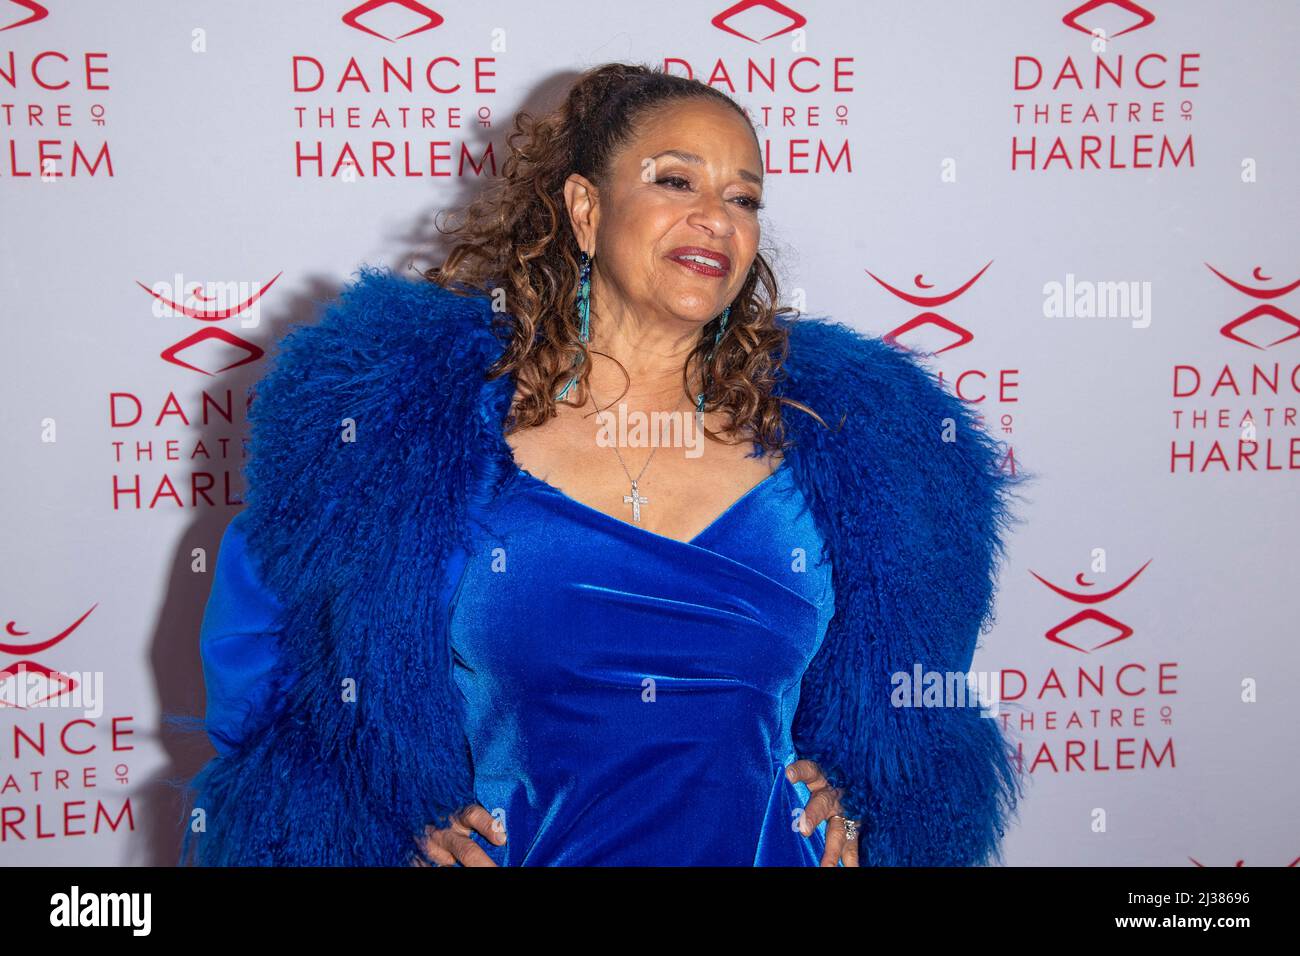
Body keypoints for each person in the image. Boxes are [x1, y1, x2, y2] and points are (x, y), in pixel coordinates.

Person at [172, 63, 1033, 867]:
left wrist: (863, 785)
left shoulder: (849, 440)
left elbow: (906, 689)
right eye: (675, 180)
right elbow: (272, 660)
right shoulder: (405, 435)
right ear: (584, 210)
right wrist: (380, 810)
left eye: (744, 196)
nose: (718, 217)